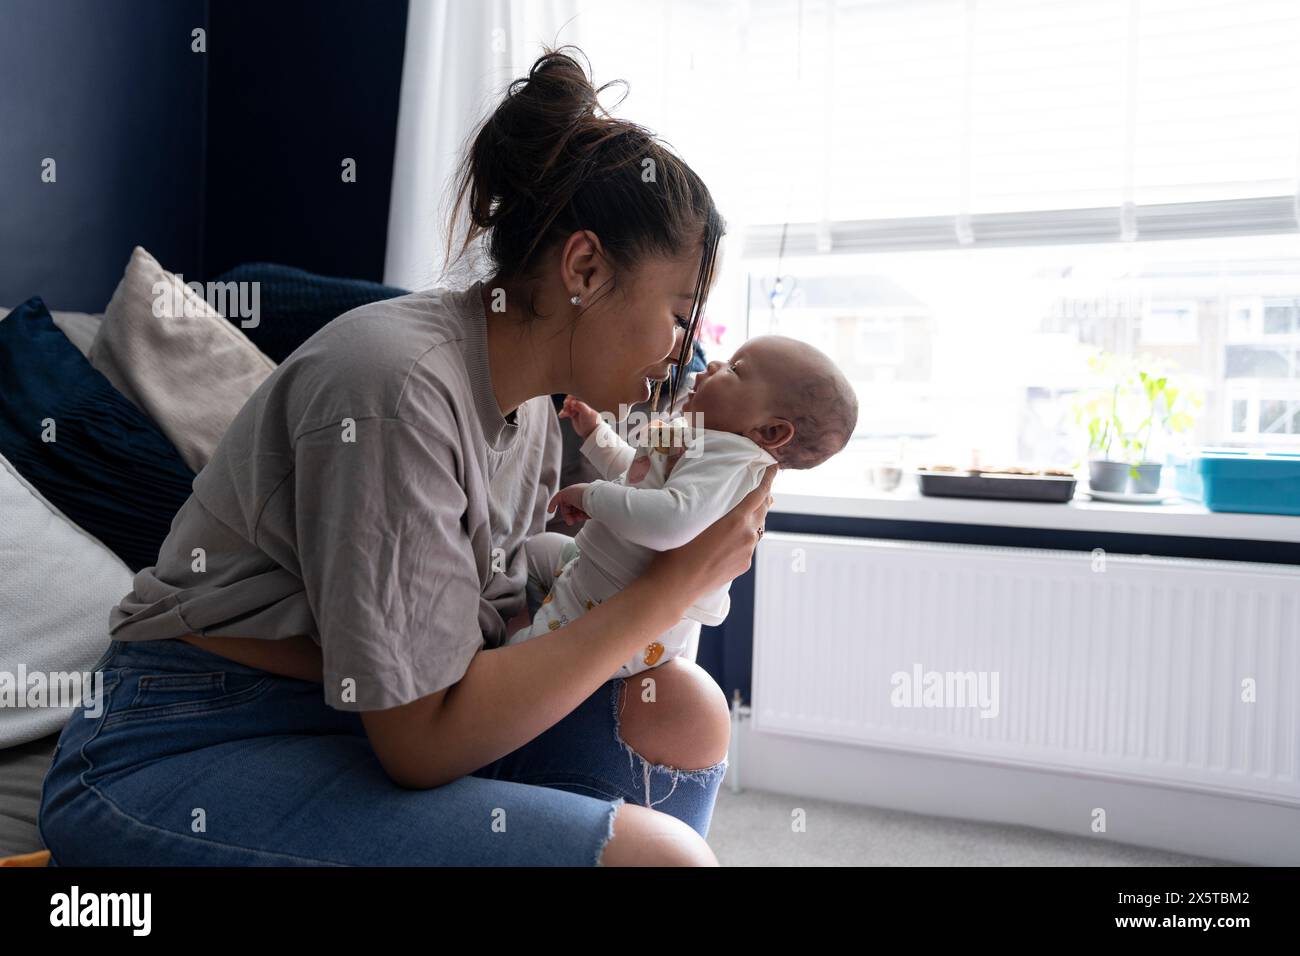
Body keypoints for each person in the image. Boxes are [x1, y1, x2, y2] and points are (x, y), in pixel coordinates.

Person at [38, 46, 774, 866]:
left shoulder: (528, 407)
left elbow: (478, 634)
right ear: (586, 268)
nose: (683, 359)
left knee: (682, 709)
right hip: (188, 742)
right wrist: (668, 587)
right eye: (679, 316)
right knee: (663, 860)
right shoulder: (397, 388)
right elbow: (420, 741)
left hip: (344, 718)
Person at [515, 335, 859, 679]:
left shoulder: (730, 460)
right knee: (534, 552)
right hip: (594, 574)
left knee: (522, 656)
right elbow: (639, 474)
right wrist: (596, 434)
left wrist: (588, 496)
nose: (713, 364)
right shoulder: (699, 438)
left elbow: (669, 522)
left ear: (770, 431)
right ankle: (537, 614)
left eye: (735, 369)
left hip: (614, 608)